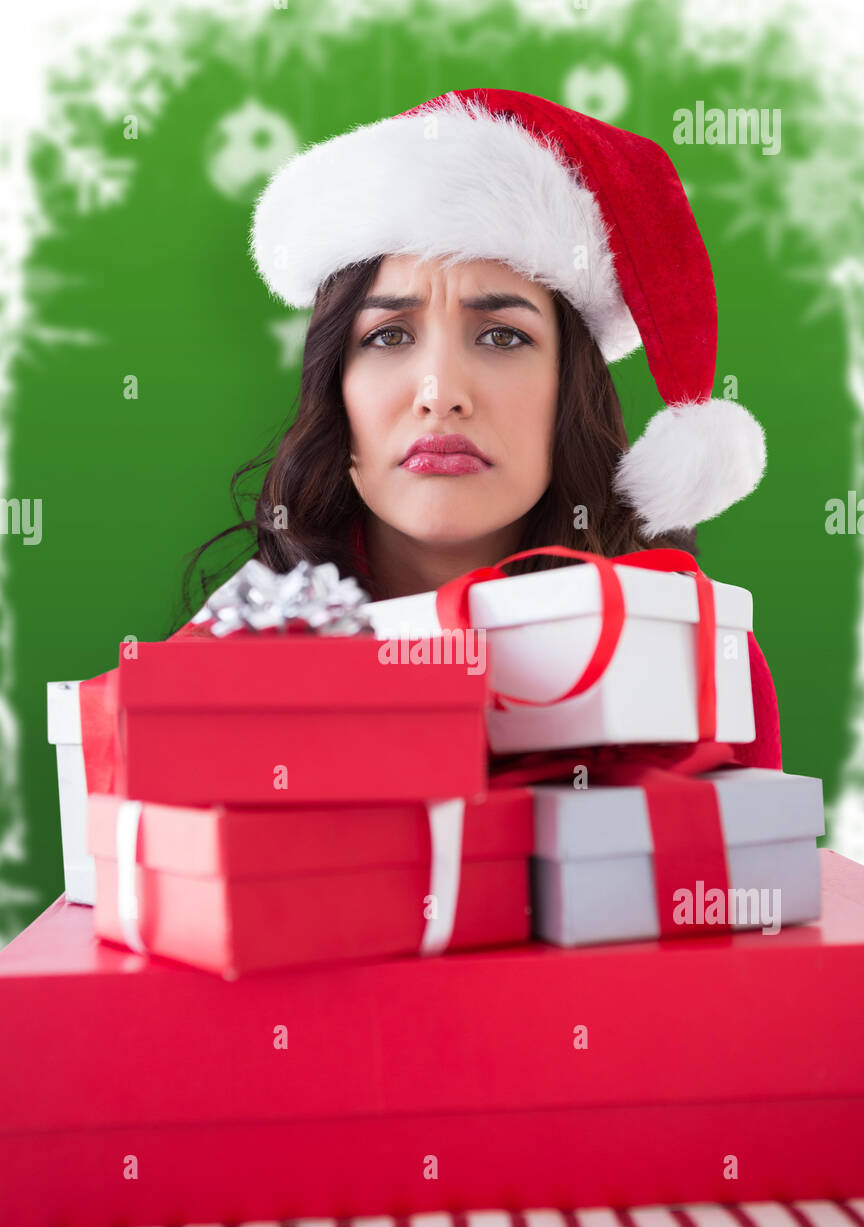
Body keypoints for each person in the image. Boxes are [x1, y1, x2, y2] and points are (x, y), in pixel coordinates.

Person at [177, 87, 782, 771]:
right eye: (388, 336)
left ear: (569, 388)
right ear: (334, 389)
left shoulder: (686, 649)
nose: (441, 396)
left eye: (501, 336)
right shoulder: (210, 673)